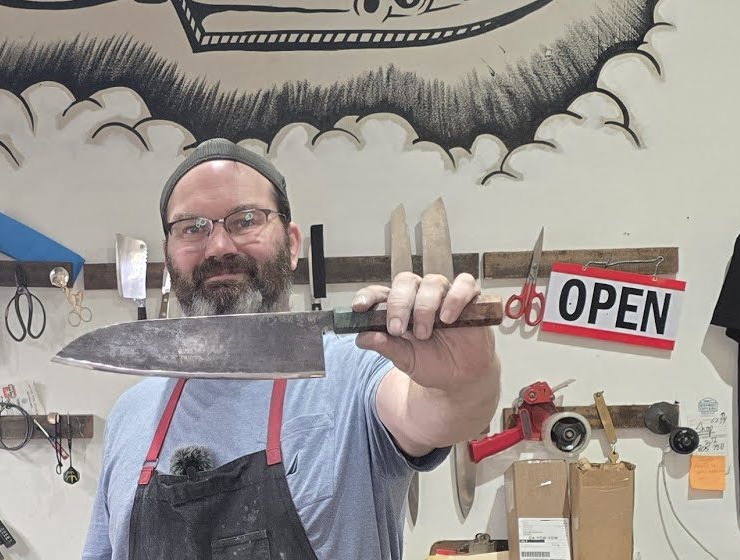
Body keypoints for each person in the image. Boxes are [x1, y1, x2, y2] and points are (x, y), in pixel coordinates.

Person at [81, 138, 502, 560]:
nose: (219, 246)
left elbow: (441, 414)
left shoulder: (355, 367)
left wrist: (466, 382)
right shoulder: (131, 414)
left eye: (245, 220)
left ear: (293, 242)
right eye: (192, 228)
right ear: (170, 253)